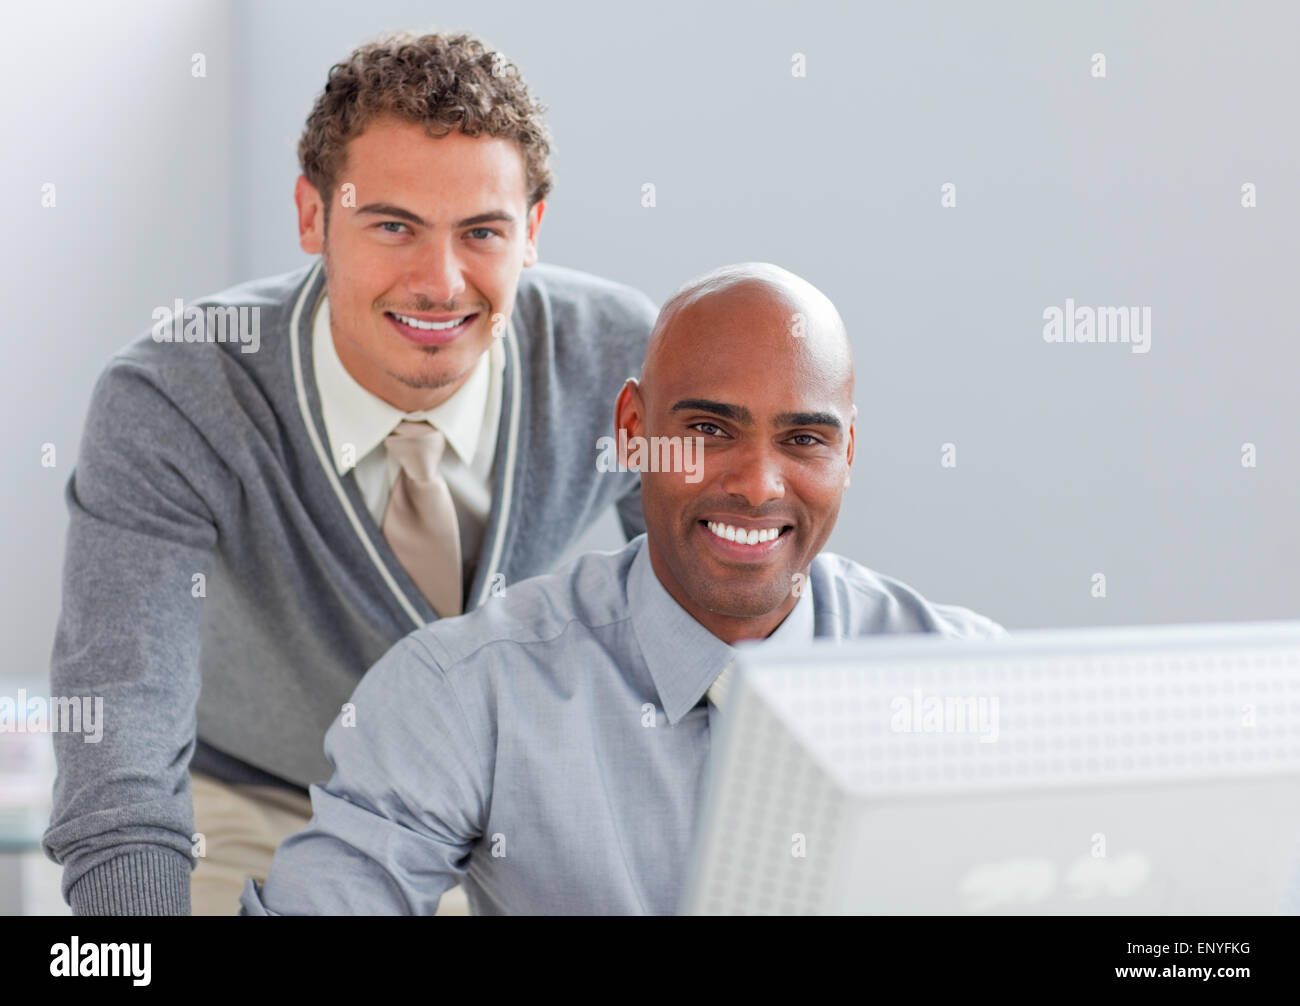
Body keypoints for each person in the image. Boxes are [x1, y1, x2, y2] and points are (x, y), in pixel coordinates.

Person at [42, 29, 656, 916]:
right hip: (253, 808)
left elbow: (708, 620)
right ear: (312, 216)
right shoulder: (176, 394)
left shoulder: (612, 360)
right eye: (394, 225)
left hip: (499, 815)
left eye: (481, 231)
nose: (440, 281)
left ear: (532, 232)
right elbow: (123, 732)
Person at [239, 262, 1007, 916]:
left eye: (805, 440)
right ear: (633, 429)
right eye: (709, 430)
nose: (758, 484)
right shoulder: (471, 693)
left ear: (847, 453)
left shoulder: (964, 679)